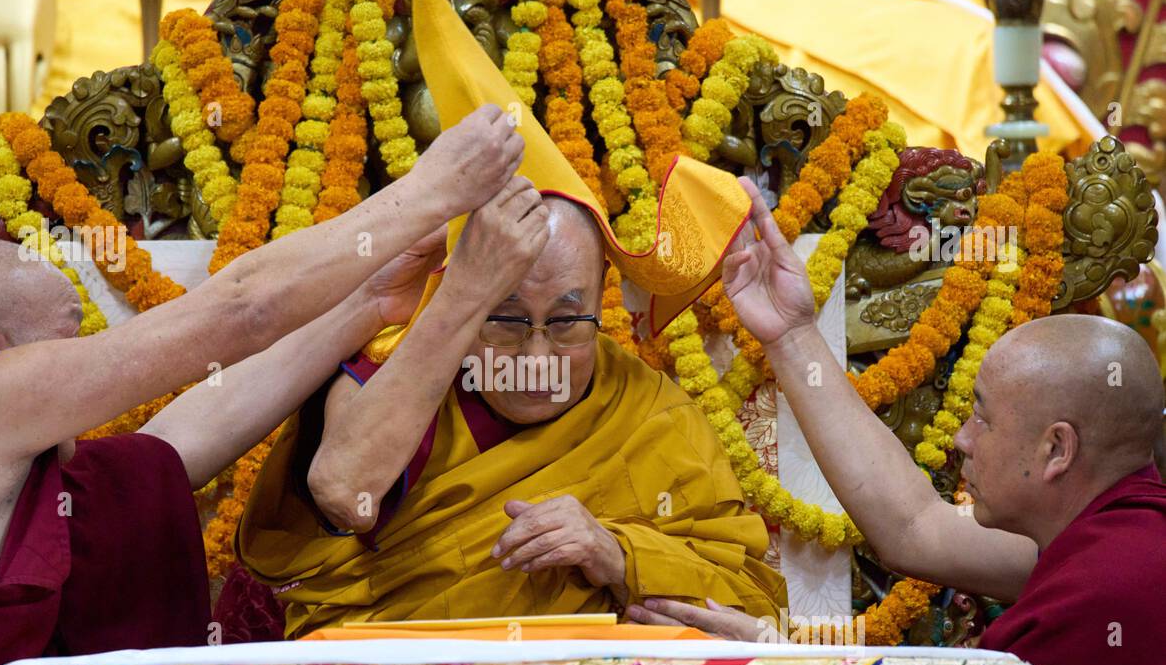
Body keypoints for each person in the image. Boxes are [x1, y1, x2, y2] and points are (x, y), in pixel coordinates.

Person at [0, 105, 524, 665]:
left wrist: (366, 303)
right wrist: (431, 192)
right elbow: (239, 309)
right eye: (68, 343)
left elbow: (184, 442)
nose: (84, 369)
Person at [629, 178, 1166, 665]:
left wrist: (769, 662)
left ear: (1056, 450)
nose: (962, 439)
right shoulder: (1108, 539)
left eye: (983, 418)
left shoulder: (1114, 583)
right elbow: (914, 527)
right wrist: (791, 335)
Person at [234, 186, 786, 637]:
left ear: (601, 304)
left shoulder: (650, 412)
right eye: (507, 320)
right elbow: (341, 491)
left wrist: (617, 555)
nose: (538, 357)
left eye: (568, 322)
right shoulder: (400, 369)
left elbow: (747, 611)